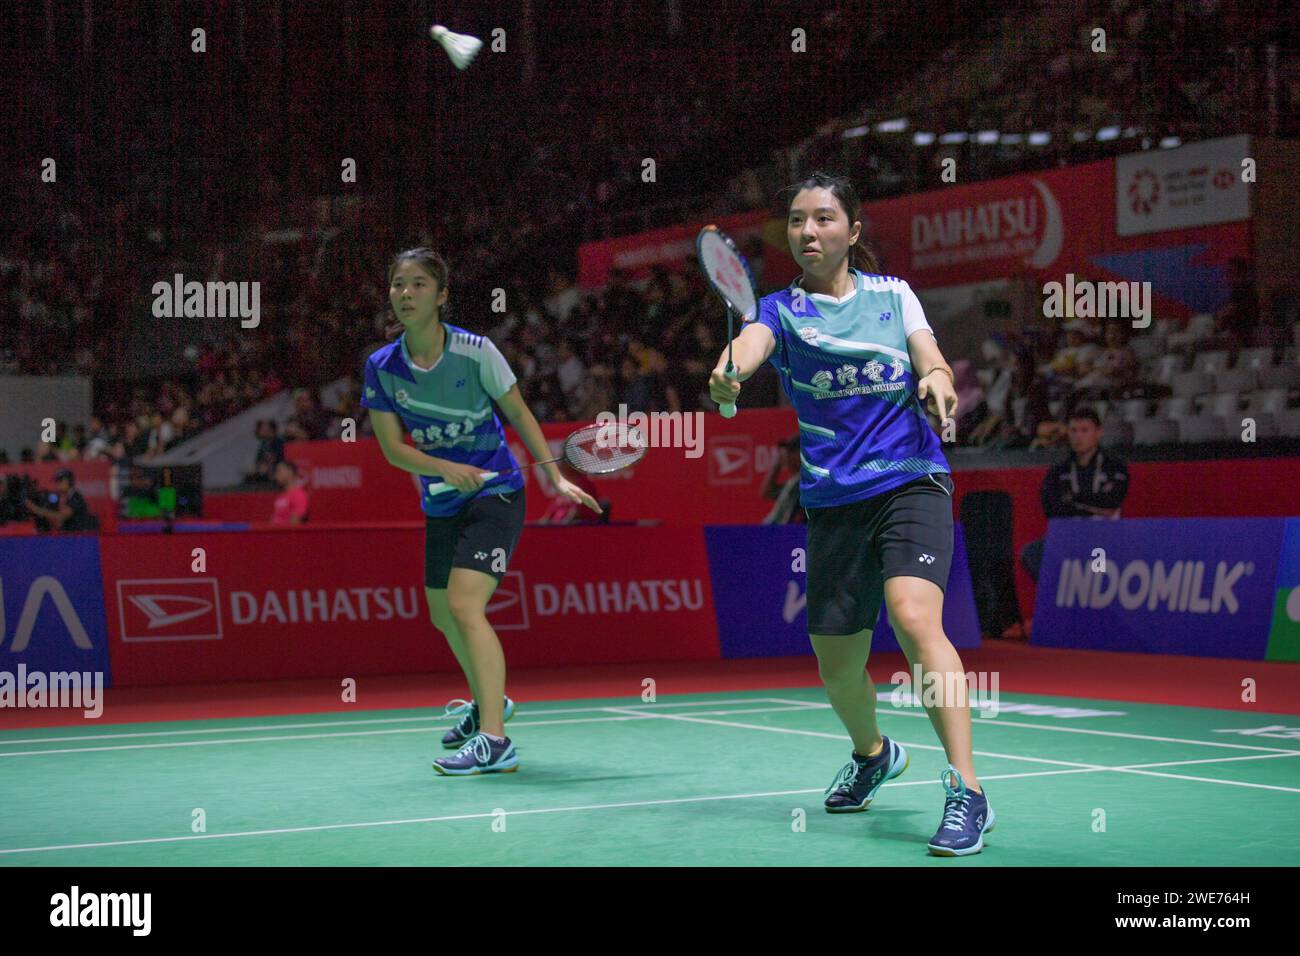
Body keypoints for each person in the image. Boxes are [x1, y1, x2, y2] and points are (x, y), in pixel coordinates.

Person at [708, 171, 993, 856]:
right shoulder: (778, 311)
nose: (809, 231)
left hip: (909, 480)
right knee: (837, 665)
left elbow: (932, 358)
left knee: (916, 616)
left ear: (853, 231)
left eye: (825, 218)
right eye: (799, 221)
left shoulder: (893, 296)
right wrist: (728, 372)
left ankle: (967, 790)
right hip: (833, 502)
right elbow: (748, 348)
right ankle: (874, 753)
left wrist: (937, 380)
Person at [362, 248, 600, 776]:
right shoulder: (382, 367)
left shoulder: (476, 352)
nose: (406, 293)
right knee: (441, 614)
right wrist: (442, 468)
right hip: (442, 500)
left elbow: (517, 411)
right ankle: (489, 701)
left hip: (497, 491)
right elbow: (391, 448)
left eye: (419, 284)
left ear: (442, 296)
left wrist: (552, 474)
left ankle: (495, 739)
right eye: (399, 284)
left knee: (467, 606)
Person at [1021, 407, 1129, 581]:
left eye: (1084, 430)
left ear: (1098, 432)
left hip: (1103, 537)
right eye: (1073, 430)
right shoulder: (1058, 471)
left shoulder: (1114, 467)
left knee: (1098, 568)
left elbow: (1110, 504)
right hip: (1068, 536)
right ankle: (1058, 597)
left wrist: (1072, 499)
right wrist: (1090, 505)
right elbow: (1051, 508)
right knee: (1032, 553)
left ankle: (1095, 594)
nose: (1078, 436)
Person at [24, 468, 97, 533]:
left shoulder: (76, 498)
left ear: (67, 481)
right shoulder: (66, 498)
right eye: (57, 481)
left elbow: (60, 516)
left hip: (78, 538)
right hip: (70, 536)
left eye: (60, 481)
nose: (57, 484)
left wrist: (34, 508)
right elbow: (59, 522)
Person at [760, 436, 804, 525]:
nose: (787, 455)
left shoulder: (806, 483)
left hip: (784, 534)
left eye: (792, 451)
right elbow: (767, 493)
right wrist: (777, 464)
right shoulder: (792, 483)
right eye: (786, 451)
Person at [270, 459, 309, 525]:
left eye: (279, 472)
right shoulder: (281, 495)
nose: (276, 476)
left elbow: (294, 524)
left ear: (290, 472)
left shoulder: (299, 495)